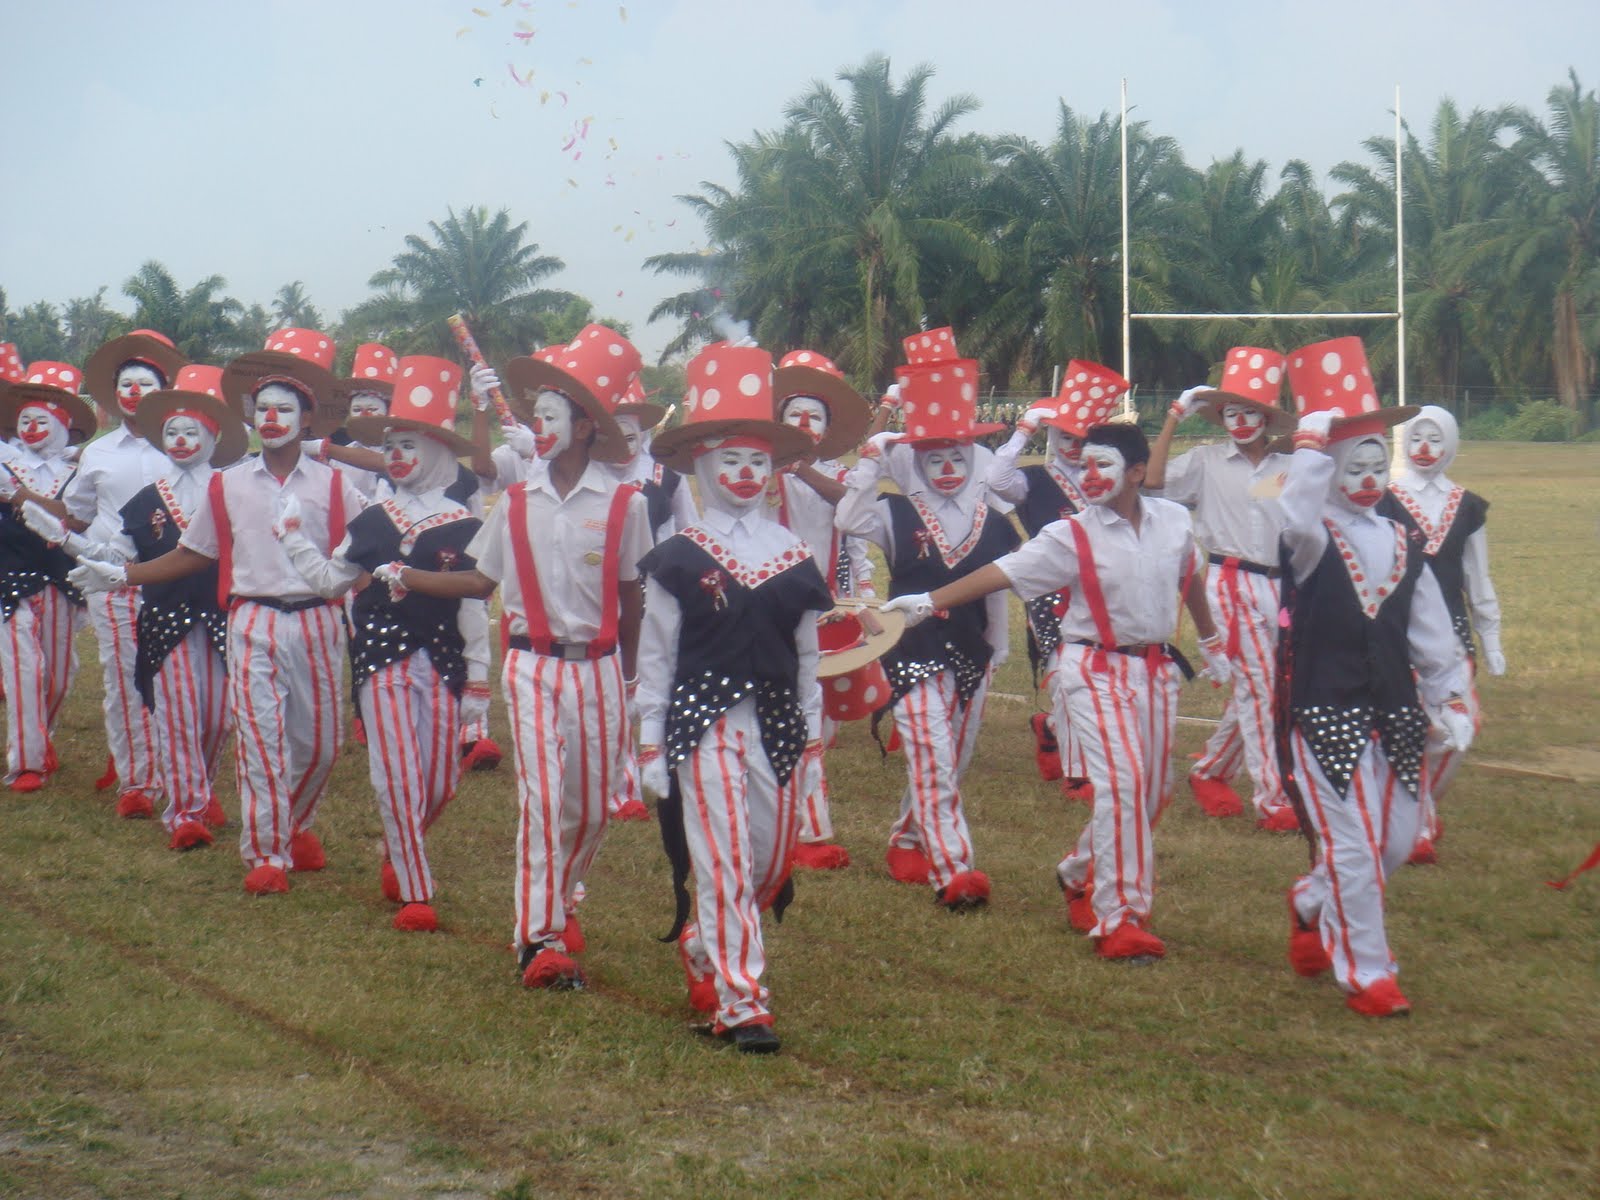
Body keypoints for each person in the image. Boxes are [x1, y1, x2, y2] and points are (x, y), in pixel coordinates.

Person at [886, 422, 1230, 960]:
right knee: (1121, 787)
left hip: (1157, 673)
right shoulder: (1071, 535)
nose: (1088, 475)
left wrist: (1210, 638)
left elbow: (1189, 576)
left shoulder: (1173, 522)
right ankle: (1120, 918)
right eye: (1084, 464)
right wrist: (928, 601)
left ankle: (1077, 871)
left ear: (1137, 472)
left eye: (1103, 465)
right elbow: (1003, 571)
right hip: (1091, 669)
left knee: (1152, 795)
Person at [70, 328, 365, 895]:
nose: (273, 417)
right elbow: (191, 553)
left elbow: (360, 554)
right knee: (259, 740)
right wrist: (122, 574)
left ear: (307, 421)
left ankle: (295, 822)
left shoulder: (335, 486)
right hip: (250, 619)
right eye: (264, 409)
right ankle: (267, 852)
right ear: (251, 418)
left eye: (286, 409)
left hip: (320, 622)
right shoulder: (227, 485)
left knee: (320, 744)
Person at [399, 325, 650, 985]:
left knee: (592, 807)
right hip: (532, 665)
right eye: (536, 416)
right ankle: (536, 940)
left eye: (552, 416)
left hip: (599, 668)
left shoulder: (626, 504)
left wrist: (629, 676)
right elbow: (481, 583)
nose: (539, 427)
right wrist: (408, 578)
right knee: (541, 799)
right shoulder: (513, 502)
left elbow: (633, 598)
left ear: (587, 427)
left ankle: (565, 896)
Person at [635, 339, 831, 1054]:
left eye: (757, 461)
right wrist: (651, 743)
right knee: (721, 861)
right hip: (704, 723)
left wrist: (812, 727)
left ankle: (703, 944)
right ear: (704, 467)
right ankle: (742, 1000)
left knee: (770, 860)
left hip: (778, 723)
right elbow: (655, 655)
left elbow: (808, 650)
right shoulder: (679, 554)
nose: (745, 474)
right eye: (731, 462)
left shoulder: (791, 549)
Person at [1276, 337, 1471, 1017]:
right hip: (1325, 708)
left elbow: (1429, 625)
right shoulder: (1310, 537)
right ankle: (1368, 973)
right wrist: (1307, 443)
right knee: (1354, 847)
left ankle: (1310, 900)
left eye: (1372, 464)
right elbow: (1292, 512)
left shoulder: (1400, 537)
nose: (1364, 479)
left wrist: (1449, 691)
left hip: (1392, 707)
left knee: (1394, 840)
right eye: (1348, 466)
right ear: (1325, 470)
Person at [272, 357, 485, 931]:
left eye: (408, 445)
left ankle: (399, 845)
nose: (396, 457)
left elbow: (475, 602)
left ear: (438, 452)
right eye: (390, 446)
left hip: (442, 661)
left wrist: (481, 680)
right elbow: (330, 581)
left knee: (440, 780)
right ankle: (416, 889)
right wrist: (294, 541)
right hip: (381, 657)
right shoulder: (369, 519)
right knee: (395, 773)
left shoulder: (465, 523)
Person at [834, 328, 1019, 910]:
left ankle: (909, 838)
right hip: (911, 652)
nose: (945, 468)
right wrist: (869, 461)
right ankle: (954, 870)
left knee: (952, 761)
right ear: (914, 459)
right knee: (932, 753)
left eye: (956, 457)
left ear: (974, 458)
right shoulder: (896, 510)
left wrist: (1001, 649)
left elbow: (997, 590)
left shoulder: (991, 518)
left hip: (972, 652)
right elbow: (847, 517)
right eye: (933, 458)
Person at [28, 365, 247, 846]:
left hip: (219, 613)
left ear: (212, 439)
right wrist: (66, 541)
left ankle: (198, 785)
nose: (182, 440)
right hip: (163, 612)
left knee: (218, 716)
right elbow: (115, 551)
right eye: (173, 432)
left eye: (193, 432)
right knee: (172, 708)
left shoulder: (234, 489)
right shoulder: (144, 497)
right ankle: (183, 809)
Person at [1146, 347, 1299, 831]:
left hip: (1279, 586)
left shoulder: (1284, 464)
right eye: (1230, 412)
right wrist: (1173, 418)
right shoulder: (1207, 461)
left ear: (1268, 417)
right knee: (1261, 688)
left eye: (1250, 410)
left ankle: (1211, 769)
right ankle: (1274, 797)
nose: (1239, 421)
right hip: (1229, 583)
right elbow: (1149, 482)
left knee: (1264, 685)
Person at [987, 360, 1134, 802]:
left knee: (1092, 680)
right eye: (1065, 437)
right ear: (1053, 436)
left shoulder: (1107, 478)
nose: (1073, 447)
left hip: (1101, 590)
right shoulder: (1034, 479)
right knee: (1065, 678)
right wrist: (1023, 432)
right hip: (1050, 595)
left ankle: (1049, 727)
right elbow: (995, 479)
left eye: (1082, 439)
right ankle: (1078, 771)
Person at [61, 330, 189, 817]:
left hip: (176, 577)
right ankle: (137, 780)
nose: (135, 393)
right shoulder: (97, 453)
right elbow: (77, 511)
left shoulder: (182, 445)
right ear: (114, 394)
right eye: (126, 384)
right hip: (113, 579)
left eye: (146, 384)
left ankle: (181, 772)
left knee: (177, 679)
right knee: (122, 678)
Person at [1377, 404, 1505, 862]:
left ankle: (1414, 808)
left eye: (1434, 439)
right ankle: (1417, 826)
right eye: (1415, 438)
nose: (1424, 449)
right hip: (1398, 635)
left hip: (1452, 638)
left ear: (1450, 443)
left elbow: (1479, 578)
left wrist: (1491, 640)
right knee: (1411, 730)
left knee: (1457, 731)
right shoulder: (1385, 499)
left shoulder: (1468, 507)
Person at [763, 349, 872, 869]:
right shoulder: (757, 471)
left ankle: (794, 817)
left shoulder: (837, 477)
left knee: (820, 722)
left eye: (815, 417)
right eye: (794, 416)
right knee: (797, 716)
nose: (804, 425)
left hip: (824, 612)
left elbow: (854, 531)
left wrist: (866, 597)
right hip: (764, 613)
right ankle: (807, 831)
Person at [0, 361, 95, 792]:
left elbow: (83, 518)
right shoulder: (5, 461)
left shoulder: (79, 470)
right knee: (23, 666)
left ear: (63, 426)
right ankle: (26, 764)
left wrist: (31, 501)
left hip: (60, 577)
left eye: (43, 420)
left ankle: (42, 737)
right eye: (26, 420)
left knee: (57, 673)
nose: (33, 427)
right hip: (11, 573)